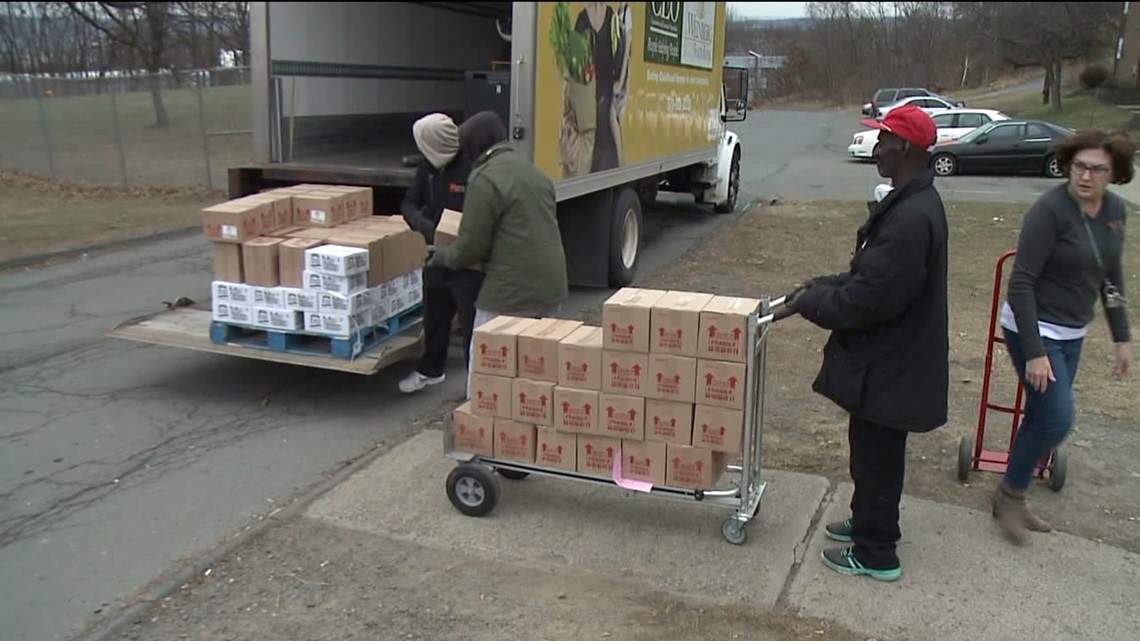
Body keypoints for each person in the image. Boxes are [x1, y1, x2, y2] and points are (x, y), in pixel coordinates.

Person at [785, 104, 949, 582]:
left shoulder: (910, 220)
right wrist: (819, 285)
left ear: (906, 148)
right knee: (869, 450)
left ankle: (877, 552)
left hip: (892, 364)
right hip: (889, 360)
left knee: (878, 457)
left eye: (883, 141)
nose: (875, 149)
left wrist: (814, 301)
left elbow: (865, 301)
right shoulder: (909, 202)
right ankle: (868, 520)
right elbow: (867, 277)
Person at [993, 129, 1134, 544]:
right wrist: (1035, 352)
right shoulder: (1049, 210)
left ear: (1115, 173)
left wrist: (1121, 335)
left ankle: (1010, 498)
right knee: (1057, 417)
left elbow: (1111, 275)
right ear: (1069, 165)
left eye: (1097, 169)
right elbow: (1021, 284)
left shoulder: (1115, 212)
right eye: (1080, 167)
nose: (1086, 176)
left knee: (1041, 416)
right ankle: (1011, 494)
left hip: (1074, 331)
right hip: (1032, 327)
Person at [426, 111, 570, 397]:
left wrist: (441, 256)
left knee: (485, 365)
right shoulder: (534, 172)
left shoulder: (485, 178)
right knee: (535, 368)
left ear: (476, 145)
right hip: (553, 287)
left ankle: (480, 427)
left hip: (511, 291)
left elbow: (470, 246)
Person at [397, 113, 484, 394]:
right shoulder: (427, 169)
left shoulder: (472, 167)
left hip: (467, 259)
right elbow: (410, 202)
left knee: (472, 323)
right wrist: (421, 223)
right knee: (434, 315)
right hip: (436, 254)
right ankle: (430, 370)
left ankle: (477, 385)